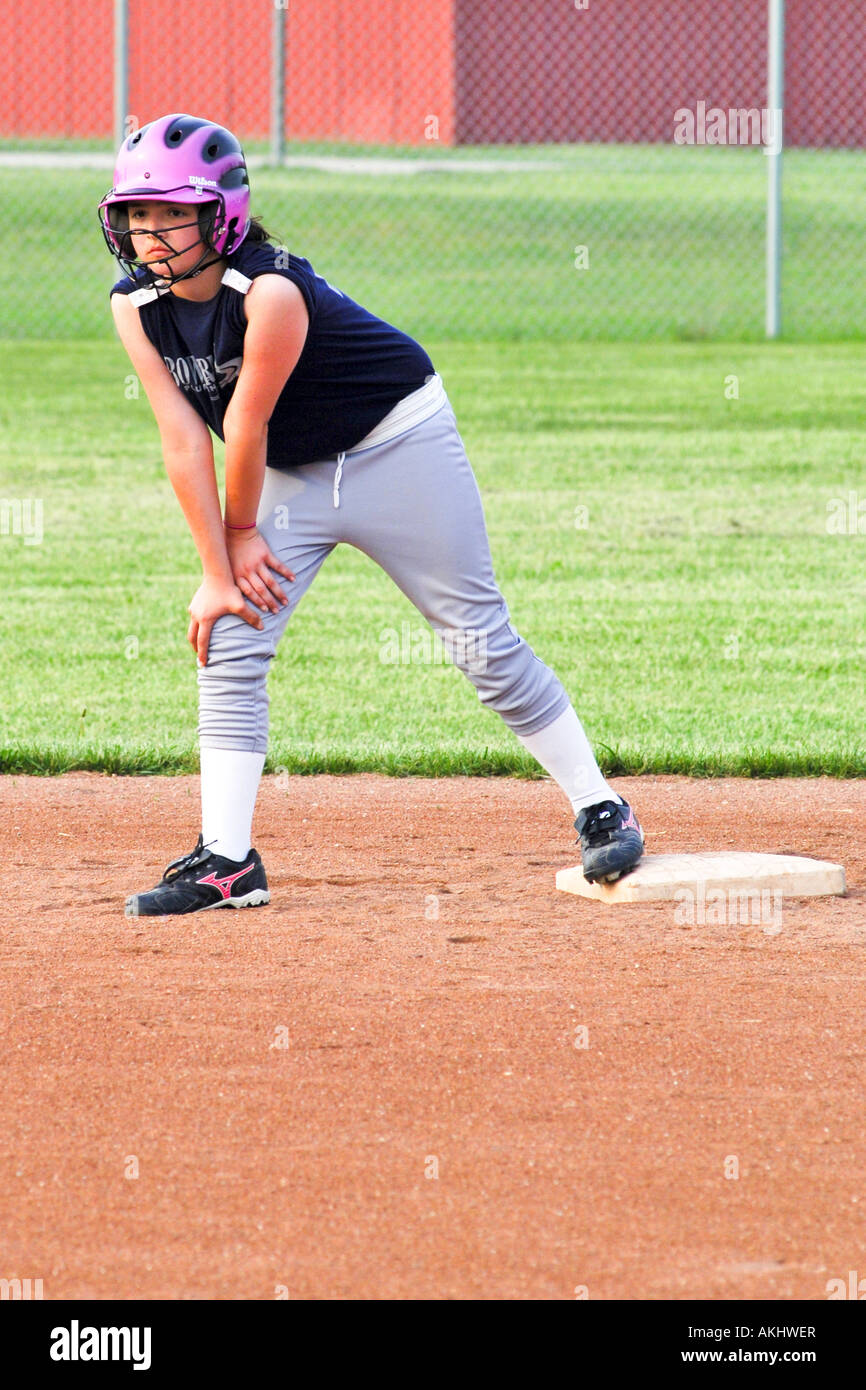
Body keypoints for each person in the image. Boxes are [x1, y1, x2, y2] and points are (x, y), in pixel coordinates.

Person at [99, 113, 644, 916]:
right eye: (137, 214)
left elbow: (244, 428)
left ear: (224, 213)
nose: (151, 233)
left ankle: (601, 803)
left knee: (478, 641)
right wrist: (218, 574)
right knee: (231, 634)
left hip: (397, 443)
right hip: (294, 472)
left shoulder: (271, 291)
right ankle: (226, 859)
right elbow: (184, 441)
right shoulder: (134, 304)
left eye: (173, 212)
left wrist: (242, 535)